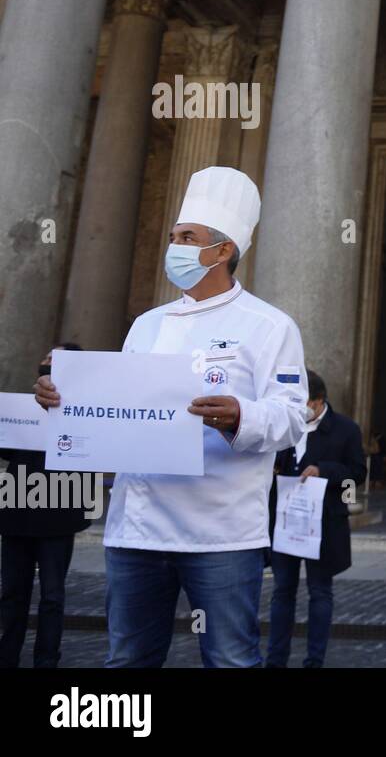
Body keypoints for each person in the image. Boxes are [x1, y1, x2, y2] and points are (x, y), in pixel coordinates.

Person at [35, 166, 308, 668]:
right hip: (136, 529)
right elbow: (120, 408)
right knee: (128, 660)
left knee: (230, 661)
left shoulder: (270, 326)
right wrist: (63, 402)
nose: (175, 247)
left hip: (221, 532)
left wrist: (238, 416)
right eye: (174, 237)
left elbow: (292, 418)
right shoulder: (146, 324)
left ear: (222, 251)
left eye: (188, 238)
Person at [0, 344, 92, 668]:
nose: (46, 362)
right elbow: (9, 451)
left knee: (52, 596)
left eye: (55, 359)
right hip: (18, 508)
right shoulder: (22, 407)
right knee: (11, 593)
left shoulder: (87, 410)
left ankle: (46, 660)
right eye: (46, 357)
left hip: (59, 511)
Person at [266, 369, 365, 668]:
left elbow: (357, 474)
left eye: (303, 403)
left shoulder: (346, 429)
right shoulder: (285, 425)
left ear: (318, 401)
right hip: (286, 521)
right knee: (282, 591)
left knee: (320, 592)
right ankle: (276, 660)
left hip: (324, 524)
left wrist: (324, 470)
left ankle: (314, 661)